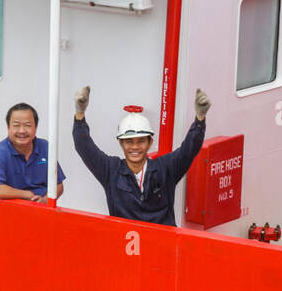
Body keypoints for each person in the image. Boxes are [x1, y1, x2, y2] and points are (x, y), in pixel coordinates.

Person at [71, 86, 210, 226]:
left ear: (150, 142)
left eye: (141, 141)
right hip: (124, 245)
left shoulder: (166, 169)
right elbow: (84, 146)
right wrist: (79, 113)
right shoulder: (111, 170)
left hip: (162, 245)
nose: (135, 147)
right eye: (129, 142)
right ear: (121, 143)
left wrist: (200, 119)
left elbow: (189, 149)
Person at [0, 103, 65, 201]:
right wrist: (27, 195)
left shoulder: (45, 147)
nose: (22, 131)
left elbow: (58, 185)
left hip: (42, 208)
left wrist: (45, 200)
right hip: (10, 209)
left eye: (27, 125)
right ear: (8, 127)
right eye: (16, 125)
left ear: (36, 127)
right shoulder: (0, 152)